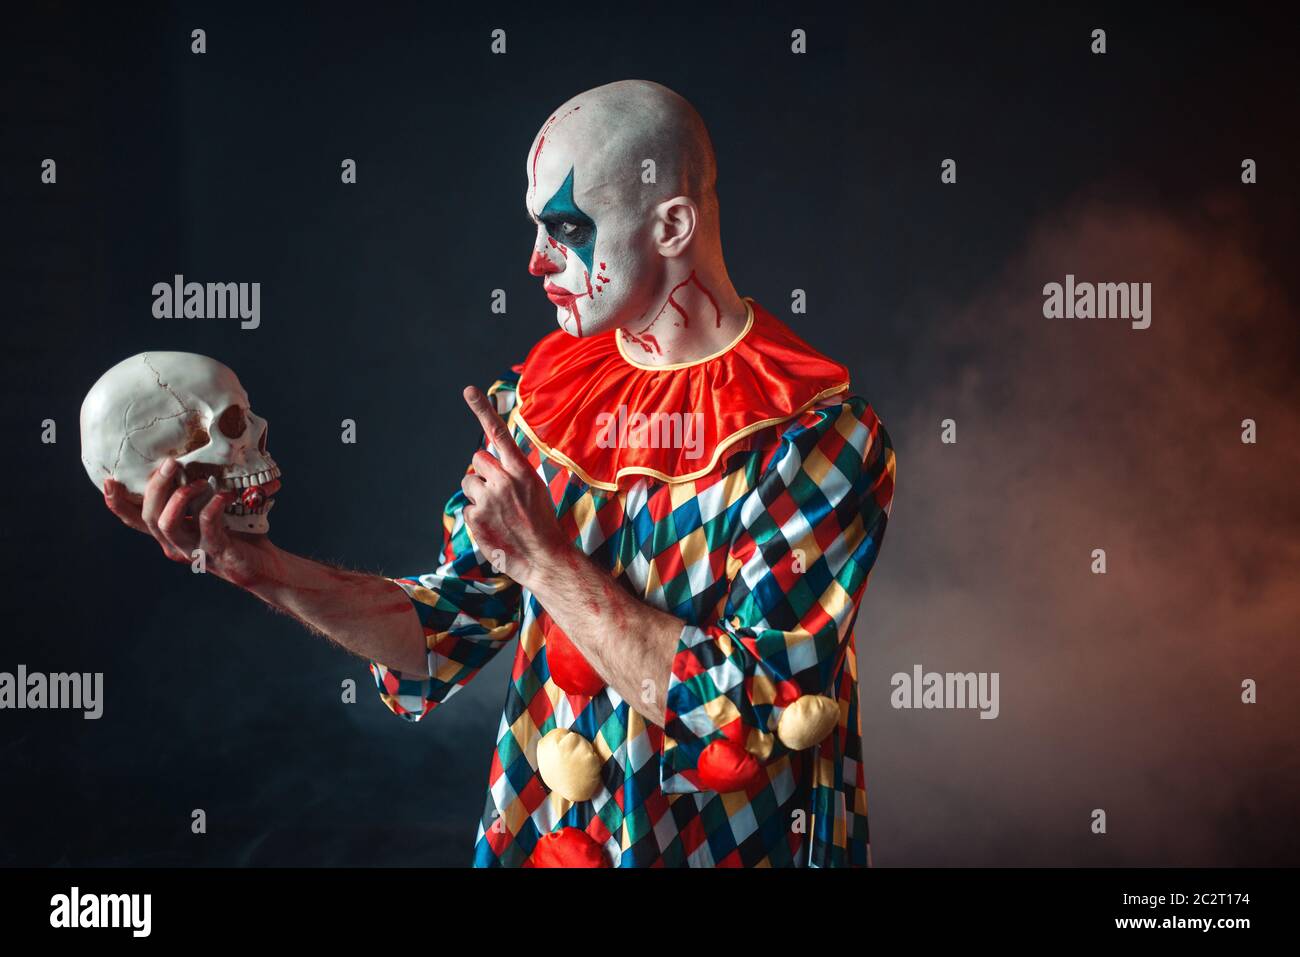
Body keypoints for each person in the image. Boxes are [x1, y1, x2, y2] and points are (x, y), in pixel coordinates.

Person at [103, 79, 896, 867]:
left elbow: (745, 713)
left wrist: (545, 559)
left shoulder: (814, 435)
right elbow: (442, 632)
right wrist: (261, 570)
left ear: (672, 224)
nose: (536, 260)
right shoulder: (537, 407)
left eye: (566, 227)